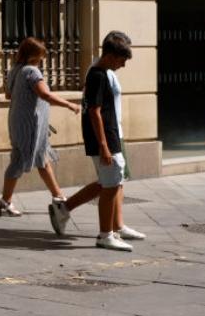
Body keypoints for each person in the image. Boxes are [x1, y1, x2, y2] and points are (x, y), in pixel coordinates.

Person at [49, 31, 144, 250]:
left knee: (111, 183)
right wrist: (103, 146)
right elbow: (94, 111)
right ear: (111, 56)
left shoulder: (102, 73)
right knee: (111, 185)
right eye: (122, 60)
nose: (123, 65)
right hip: (105, 140)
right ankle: (105, 235)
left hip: (110, 137)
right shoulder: (98, 75)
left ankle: (109, 230)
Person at [0, 37, 80, 215]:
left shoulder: (15, 70)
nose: (42, 59)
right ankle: (8, 201)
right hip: (29, 124)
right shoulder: (32, 72)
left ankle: (57, 196)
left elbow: (10, 95)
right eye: (41, 55)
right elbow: (46, 95)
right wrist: (69, 104)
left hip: (18, 121)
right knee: (24, 160)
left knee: (36, 158)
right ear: (34, 55)